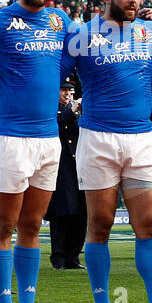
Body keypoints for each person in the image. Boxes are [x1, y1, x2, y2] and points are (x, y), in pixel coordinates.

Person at [61, 0, 152, 303]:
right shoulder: (81, 35)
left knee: (149, 224)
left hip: (141, 139)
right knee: (99, 225)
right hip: (97, 139)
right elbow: (51, 71)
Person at [0, 0, 68, 303]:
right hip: (9, 136)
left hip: (48, 139)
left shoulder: (60, 20)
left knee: (33, 225)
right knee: (3, 225)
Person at [49, 83, 86, 269]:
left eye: (70, 90)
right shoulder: (52, 109)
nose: (67, 93)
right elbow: (61, 121)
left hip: (80, 165)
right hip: (62, 166)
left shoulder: (79, 111)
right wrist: (72, 109)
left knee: (82, 212)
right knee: (62, 213)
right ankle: (59, 257)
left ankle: (74, 256)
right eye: (63, 89)